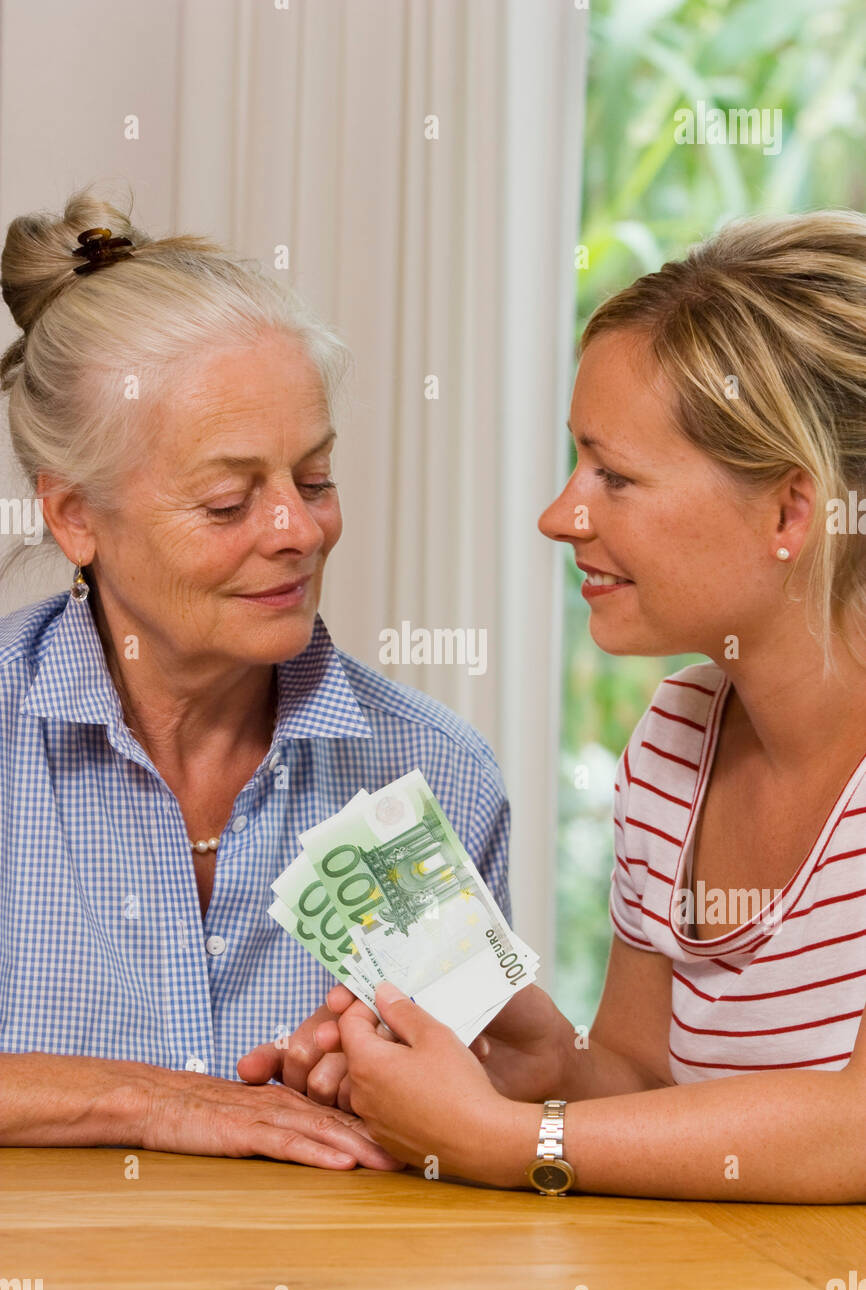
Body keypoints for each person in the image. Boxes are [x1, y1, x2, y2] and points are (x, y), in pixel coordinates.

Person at [316, 210, 866, 1203]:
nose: (558, 516)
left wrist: (505, 1139)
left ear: (791, 510)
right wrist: (549, 1064)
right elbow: (647, 1086)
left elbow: (854, 1127)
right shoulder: (674, 744)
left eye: (613, 474)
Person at [0, 185, 511, 1170]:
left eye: (314, 479)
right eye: (228, 501)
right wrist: (148, 1100)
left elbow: (470, 1134)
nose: (298, 531)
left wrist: (446, 1093)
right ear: (74, 517)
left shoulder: (435, 772)